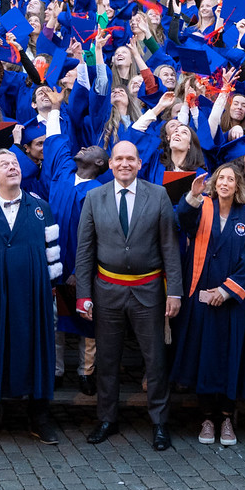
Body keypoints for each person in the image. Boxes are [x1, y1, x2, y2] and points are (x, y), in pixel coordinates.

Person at [76, 138, 183, 450]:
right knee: (108, 359)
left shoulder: (158, 195)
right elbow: (85, 250)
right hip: (107, 290)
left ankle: (160, 422)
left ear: (139, 164)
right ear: (110, 164)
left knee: (155, 359)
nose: (124, 163)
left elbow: (169, 247)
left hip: (148, 290)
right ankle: (107, 418)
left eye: (130, 159)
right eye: (119, 159)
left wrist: (175, 292)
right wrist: (83, 294)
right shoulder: (94, 197)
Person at [0, 149, 63, 443]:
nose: (12, 167)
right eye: (4, 164)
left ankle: (39, 417)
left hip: (34, 296)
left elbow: (53, 256)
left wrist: (50, 294)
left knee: (37, 351)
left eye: (15, 163)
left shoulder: (41, 207)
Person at [172, 163, 245, 446]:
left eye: (230, 179)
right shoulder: (202, 208)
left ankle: (227, 418)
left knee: (229, 357)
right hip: (201, 297)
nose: (224, 183)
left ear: (238, 185)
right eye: (221, 178)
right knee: (205, 357)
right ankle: (207, 418)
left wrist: (226, 290)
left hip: (232, 302)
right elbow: (182, 221)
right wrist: (192, 196)